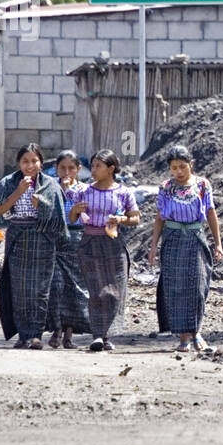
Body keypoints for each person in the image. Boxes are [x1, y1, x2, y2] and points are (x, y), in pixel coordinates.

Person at [0, 143, 69, 349]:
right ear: (19, 163)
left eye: (34, 161)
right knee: (19, 289)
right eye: (25, 161)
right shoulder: (9, 182)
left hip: (43, 239)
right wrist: (18, 193)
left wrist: (40, 205)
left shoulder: (51, 185)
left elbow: (58, 218)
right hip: (18, 237)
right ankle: (23, 334)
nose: (30, 165)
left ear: (41, 163)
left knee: (40, 290)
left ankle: (35, 335)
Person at [149, 145, 223, 353]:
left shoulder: (202, 185)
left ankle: (196, 331)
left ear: (191, 165)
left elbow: (210, 213)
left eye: (183, 167)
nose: (179, 172)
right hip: (172, 239)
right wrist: (154, 246)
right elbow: (159, 218)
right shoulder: (165, 187)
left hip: (195, 237)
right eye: (174, 168)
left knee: (198, 286)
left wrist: (218, 242)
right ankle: (184, 337)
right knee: (176, 288)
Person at [68, 149, 140, 353]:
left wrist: (121, 219)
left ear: (111, 169)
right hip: (90, 242)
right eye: (93, 166)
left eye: (98, 166)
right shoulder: (85, 192)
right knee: (96, 291)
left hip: (114, 244)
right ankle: (98, 335)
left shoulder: (123, 193)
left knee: (116, 292)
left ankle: (109, 334)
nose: (94, 170)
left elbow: (136, 218)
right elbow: (72, 219)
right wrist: (75, 210)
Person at [44, 150, 91, 348]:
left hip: (78, 239)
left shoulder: (87, 190)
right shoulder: (50, 188)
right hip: (55, 240)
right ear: (56, 169)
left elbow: (89, 214)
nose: (67, 171)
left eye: (71, 168)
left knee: (75, 289)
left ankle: (69, 335)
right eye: (62, 167)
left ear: (79, 169)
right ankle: (55, 330)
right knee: (56, 287)